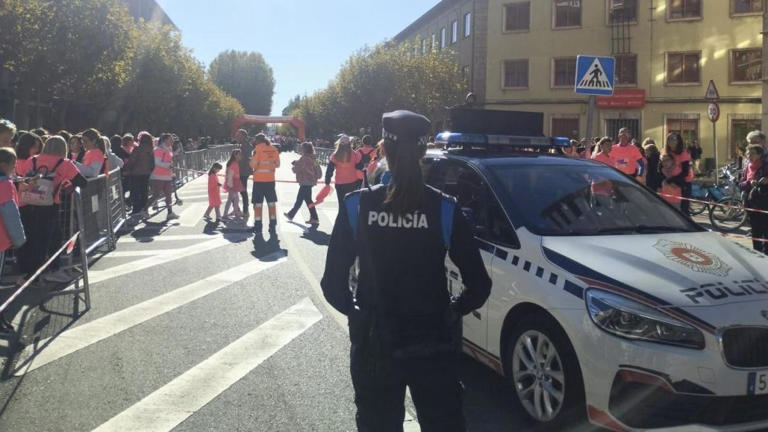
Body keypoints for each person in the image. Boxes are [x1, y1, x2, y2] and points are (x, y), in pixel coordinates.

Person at [321, 110, 492, 432]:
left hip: (375, 343)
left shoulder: (357, 206)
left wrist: (359, 316)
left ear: (382, 148)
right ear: (423, 151)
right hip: (434, 342)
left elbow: (332, 285)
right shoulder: (444, 207)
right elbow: (479, 285)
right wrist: (452, 312)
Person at [17, 136, 86, 284]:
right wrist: (68, 186)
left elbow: (23, 178)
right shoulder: (65, 163)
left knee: (35, 238)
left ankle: (34, 272)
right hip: (49, 204)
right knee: (50, 239)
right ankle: (44, 273)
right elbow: (82, 181)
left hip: (28, 202)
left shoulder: (32, 160)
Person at [0, 148, 25, 331]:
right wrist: (19, 239)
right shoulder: (5, 185)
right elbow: (10, 214)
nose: (14, 168)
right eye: (13, 164)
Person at [249, 133, 280, 233]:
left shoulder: (257, 149)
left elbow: (253, 164)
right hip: (270, 180)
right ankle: (272, 225)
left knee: (258, 204)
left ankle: (258, 226)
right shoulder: (273, 149)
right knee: (271, 203)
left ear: (257, 141)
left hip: (259, 181)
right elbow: (278, 164)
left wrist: (252, 161)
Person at [284, 142, 322, 225]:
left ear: (305, 149)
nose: (301, 149)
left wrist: (294, 165)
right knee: (307, 200)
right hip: (311, 181)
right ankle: (313, 217)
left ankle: (291, 214)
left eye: (302, 148)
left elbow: (296, 169)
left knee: (300, 200)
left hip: (305, 181)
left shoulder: (304, 158)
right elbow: (317, 169)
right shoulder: (313, 158)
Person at [740, 145, 768, 253]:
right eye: (748, 153)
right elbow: (741, 184)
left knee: (766, 230)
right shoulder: (747, 167)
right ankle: (757, 253)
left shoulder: (765, 166)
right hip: (751, 203)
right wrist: (749, 183)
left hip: (764, 203)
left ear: (759, 155)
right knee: (755, 231)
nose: (749, 156)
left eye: (752, 153)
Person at [325, 135, 362, 212]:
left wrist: (327, 182)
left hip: (339, 183)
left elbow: (329, 170)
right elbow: (360, 168)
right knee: (351, 205)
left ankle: (341, 222)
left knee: (341, 205)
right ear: (349, 144)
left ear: (339, 144)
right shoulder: (355, 154)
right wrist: (359, 182)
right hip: (352, 183)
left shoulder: (334, 155)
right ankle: (350, 222)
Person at [146, 133, 179, 220]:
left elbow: (169, 161)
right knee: (156, 195)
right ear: (164, 140)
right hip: (157, 176)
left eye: (172, 139)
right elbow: (158, 162)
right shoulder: (158, 149)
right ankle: (144, 209)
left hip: (167, 175)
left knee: (169, 195)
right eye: (170, 139)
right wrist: (168, 165)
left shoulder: (169, 149)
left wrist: (171, 170)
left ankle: (170, 213)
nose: (172, 141)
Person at [661, 132, 694, 215]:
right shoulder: (666, 152)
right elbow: (661, 166)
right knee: (670, 208)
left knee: (683, 209)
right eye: (669, 139)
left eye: (673, 139)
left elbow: (685, 172)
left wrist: (671, 180)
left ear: (678, 141)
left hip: (683, 183)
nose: (671, 141)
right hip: (670, 183)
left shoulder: (683, 153)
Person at [124, 132, 155, 218]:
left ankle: (136, 209)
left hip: (136, 173)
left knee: (135, 191)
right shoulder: (151, 150)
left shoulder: (138, 149)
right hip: (146, 173)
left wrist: (127, 168)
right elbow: (153, 162)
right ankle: (144, 209)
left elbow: (132, 161)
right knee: (144, 191)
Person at [235, 129, 253, 221]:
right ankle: (240, 210)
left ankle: (245, 211)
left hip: (243, 171)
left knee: (242, 191)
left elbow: (243, 159)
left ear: (242, 136)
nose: (236, 136)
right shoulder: (243, 144)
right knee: (240, 191)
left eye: (238, 135)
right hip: (242, 171)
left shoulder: (245, 145)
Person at [223, 150, 244, 221]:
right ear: (235, 155)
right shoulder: (234, 164)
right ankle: (225, 215)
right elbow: (230, 175)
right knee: (231, 199)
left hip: (234, 182)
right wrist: (230, 185)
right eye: (239, 154)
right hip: (233, 183)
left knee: (236, 199)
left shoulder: (234, 163)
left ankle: (236, 213)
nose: (241, 156)